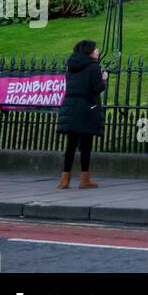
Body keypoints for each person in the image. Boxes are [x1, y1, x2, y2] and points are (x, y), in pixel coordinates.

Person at [56, 40, 107, 189]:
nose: (98, 51)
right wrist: (104, 79)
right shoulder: (93, 67)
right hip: (86, 108)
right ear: (89, 51)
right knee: (86, 144)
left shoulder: (72, 67)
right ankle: (85, 179)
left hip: (71, 107)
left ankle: (64, 179)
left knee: (71, 144)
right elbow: (96, 88)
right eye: (95, 49)